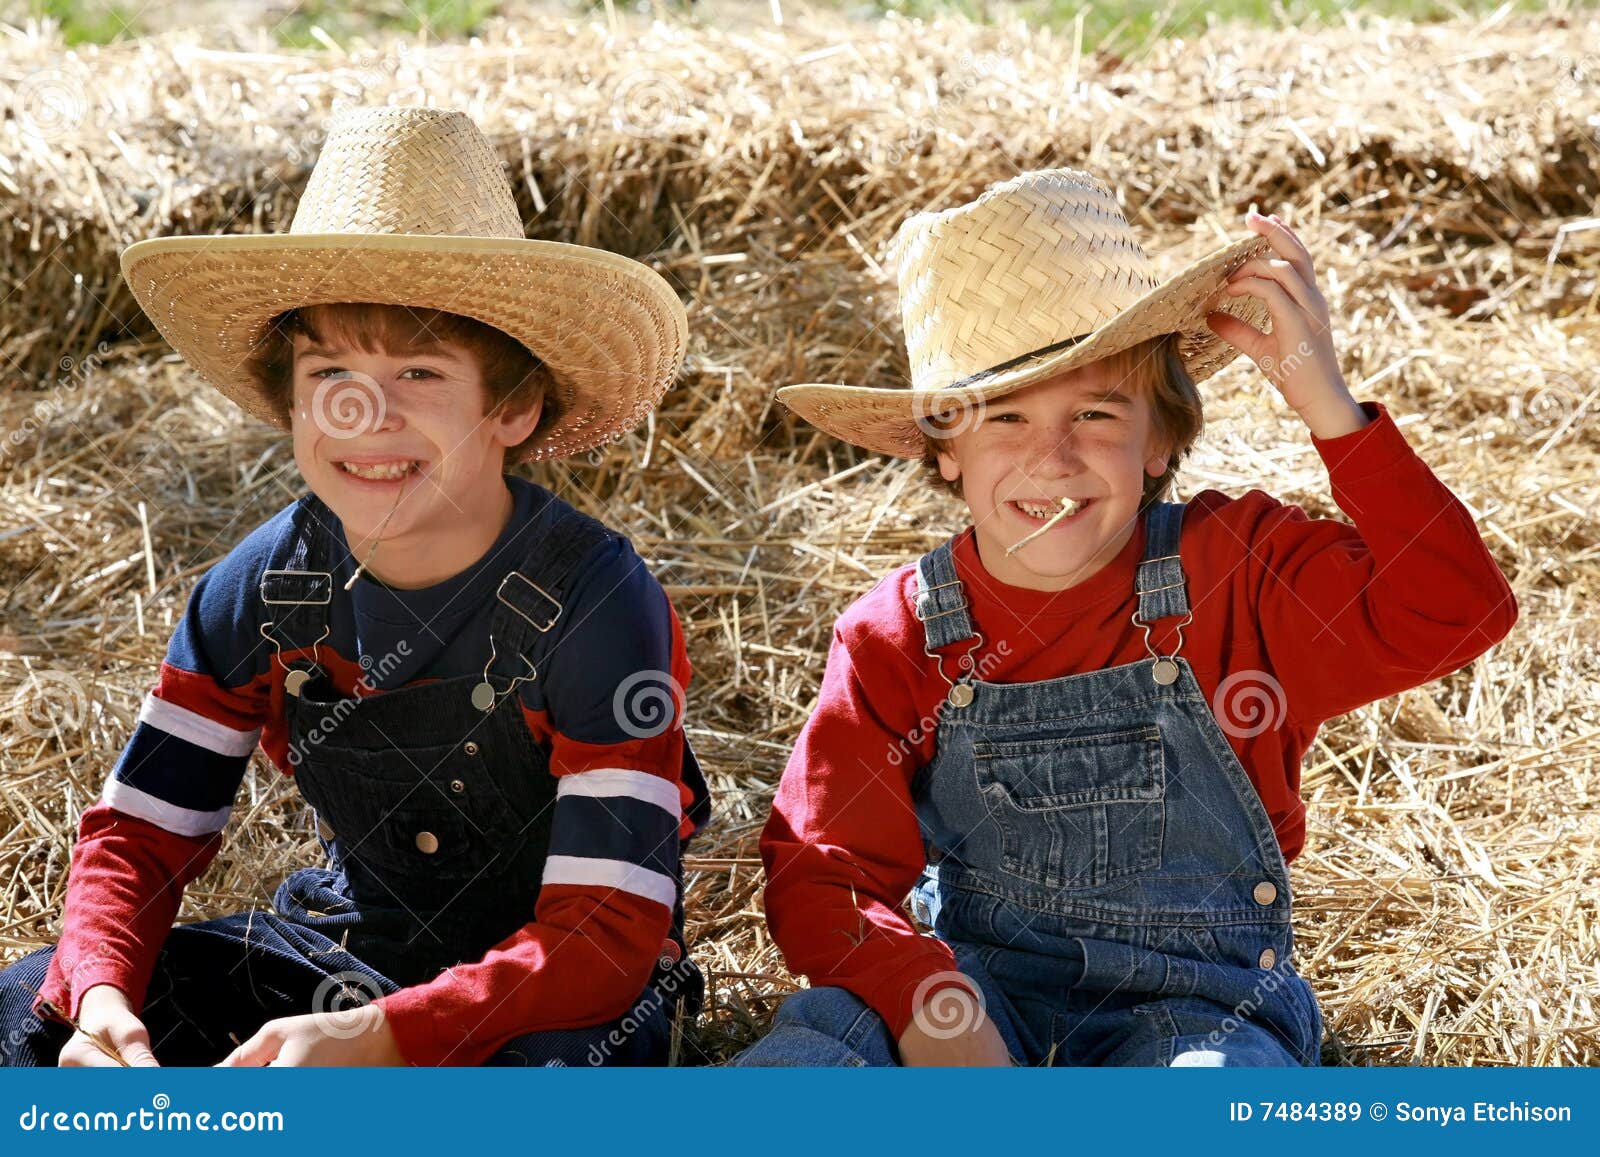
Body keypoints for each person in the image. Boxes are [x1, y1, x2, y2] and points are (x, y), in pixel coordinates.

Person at [733, 168, 1517, 1066]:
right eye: (1004, 417)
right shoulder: (899, 631)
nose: (1052, 458)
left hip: (1200, 1011)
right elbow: (824, 867)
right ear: (945, 452)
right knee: (813, 1062)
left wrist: (1324, 401)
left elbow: (1455, 609)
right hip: (974, 994)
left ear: (1161, 439)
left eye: (1096, 412)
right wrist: (930, 1004)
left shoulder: (1236, 571)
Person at [0, 105, 710, 1068]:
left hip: (558, 992)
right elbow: (141, 832)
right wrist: (99, 994)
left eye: (419, 371)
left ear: (515, 406)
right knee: (22, 1004)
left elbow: (607, 929)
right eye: (330, 371)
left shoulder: (596, 602)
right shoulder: (260, 587)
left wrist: (384, 1037)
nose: (364, 417)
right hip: (348, 951)